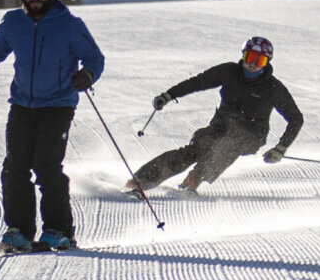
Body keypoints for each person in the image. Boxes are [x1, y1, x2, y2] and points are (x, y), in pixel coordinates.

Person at [0, 0, 106, 253]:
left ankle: (59, 230)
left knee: (46, 166)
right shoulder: (13, 22)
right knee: (15, 168)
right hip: (22, 105)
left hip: (58, 105)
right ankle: (19, 232)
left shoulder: (70, 25)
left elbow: (94, 57)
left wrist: (87, 75)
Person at [125, 36, 303, 195]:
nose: (253, 64)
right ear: (243, 56)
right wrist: (169, 95)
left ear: (266, 63)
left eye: (259, 60)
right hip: (221, 126)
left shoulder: (272, 88)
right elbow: (197, 82)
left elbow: (296, 118)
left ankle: (192, 182)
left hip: (252, 134)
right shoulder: (229, 72)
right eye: (249, 57)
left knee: (229, 146)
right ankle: (141, 180)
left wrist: (281, 148)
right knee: (195, 149)